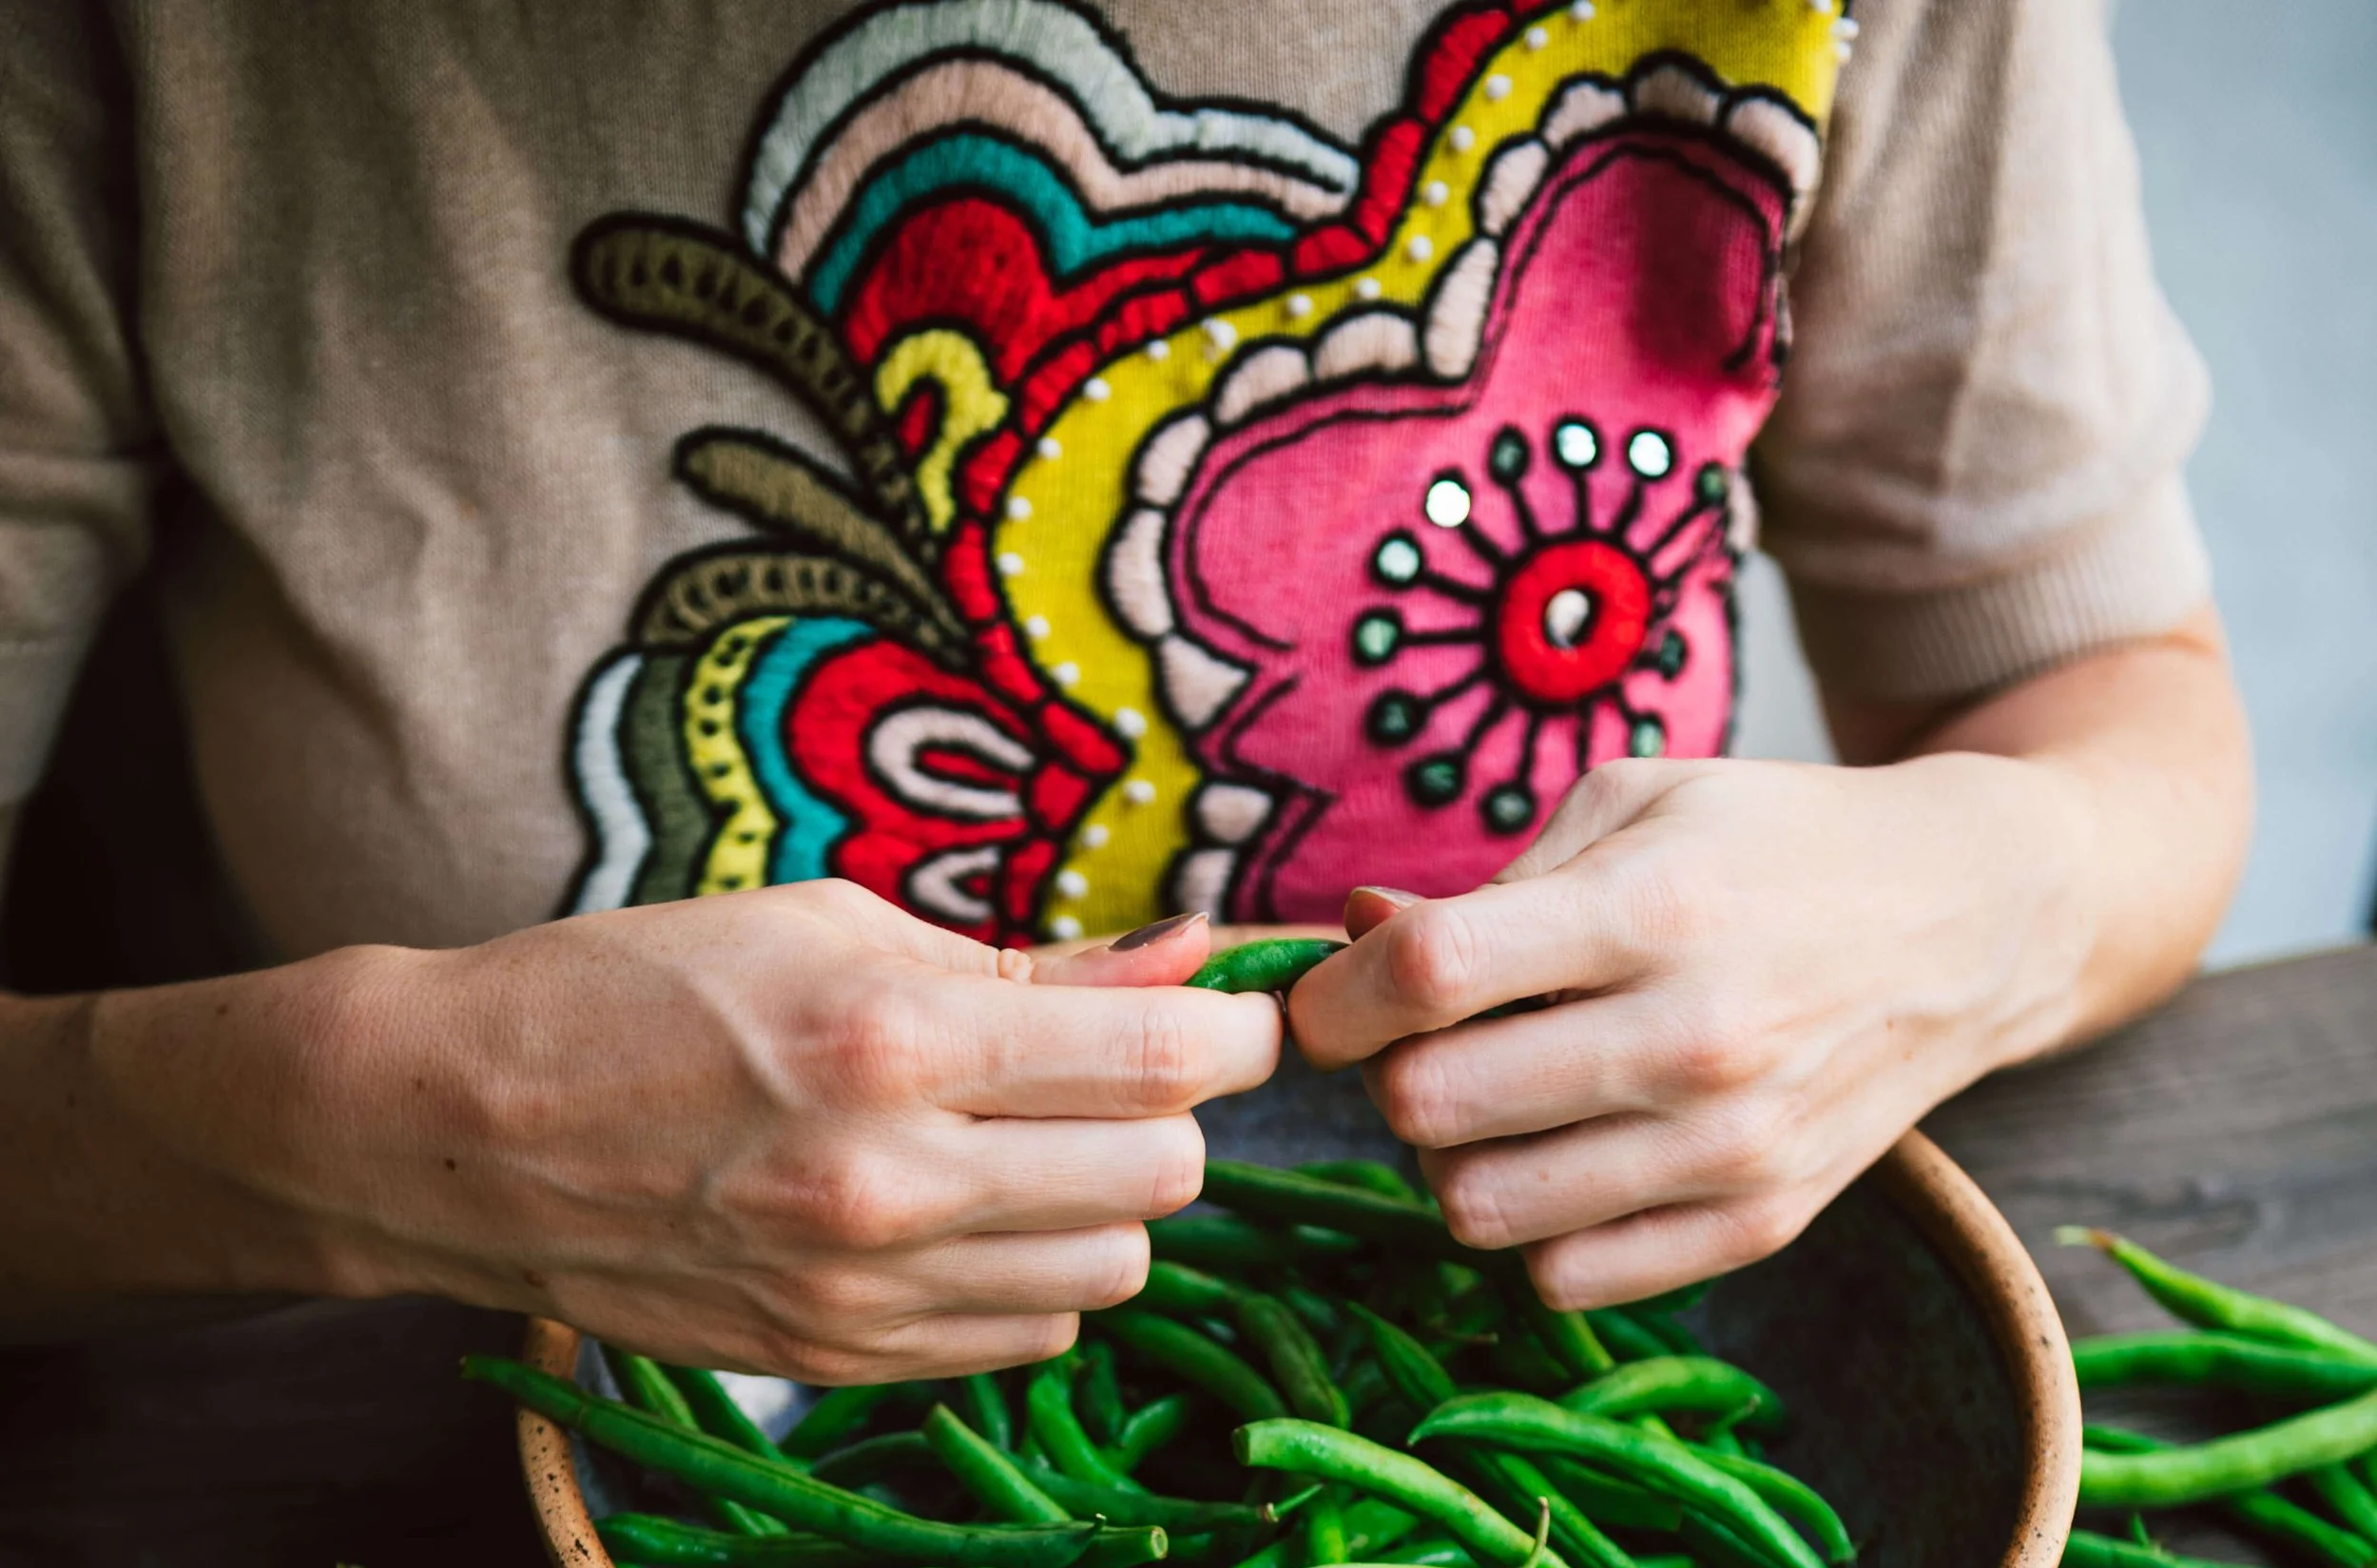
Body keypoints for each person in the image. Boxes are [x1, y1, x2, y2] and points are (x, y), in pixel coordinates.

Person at [0, 0, 2249, 1368]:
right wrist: (370, 1125)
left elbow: (2112, 698)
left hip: (1538, 1380)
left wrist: (1979, 889)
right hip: (411, 1510)